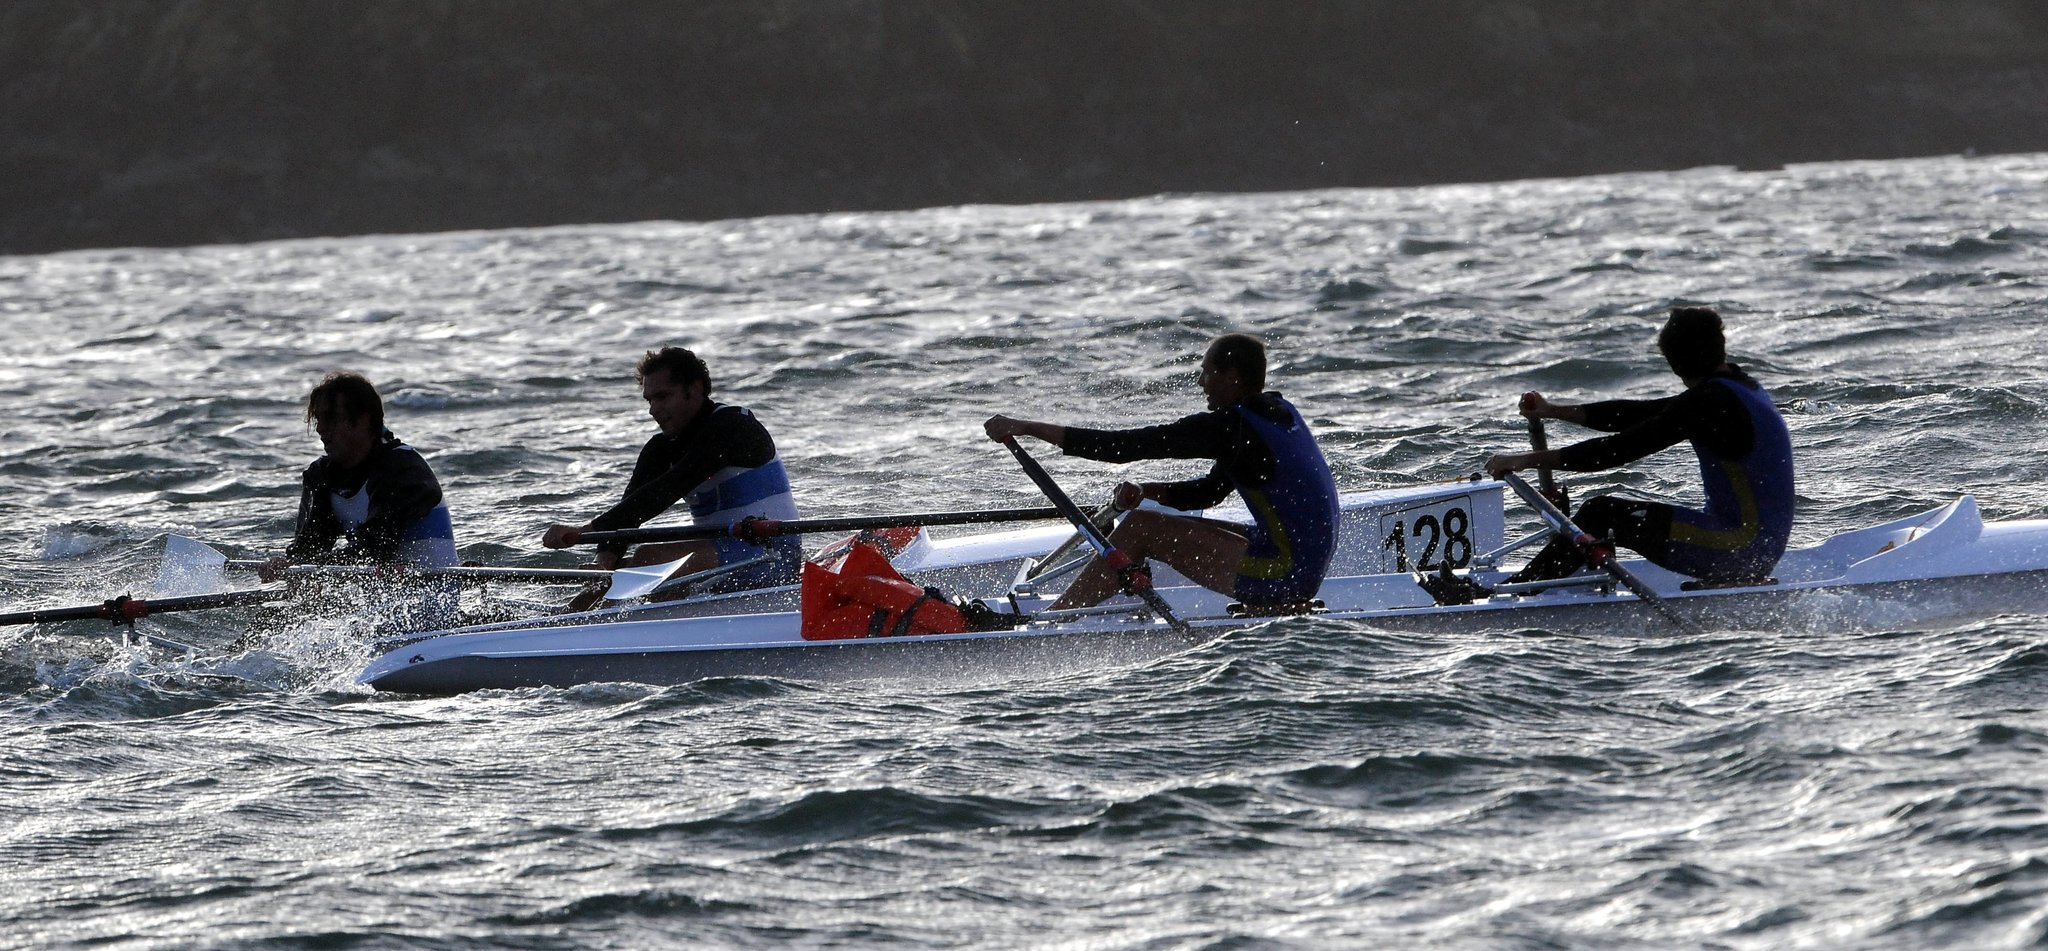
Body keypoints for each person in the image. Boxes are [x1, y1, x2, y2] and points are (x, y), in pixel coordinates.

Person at [983, 332, 1341, 612]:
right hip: (1298, 563)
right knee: (1146, 517)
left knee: (1141, 528)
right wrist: (1147, 491)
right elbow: (1208, 494)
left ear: (1232, 377)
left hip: (1283, 574)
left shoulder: (1231, 428)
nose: (1201, 381)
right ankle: (1083, 600)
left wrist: (1025, 426)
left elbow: (1120, 448)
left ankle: (1052, 620)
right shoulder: (1276, 412)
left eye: (1207, 372)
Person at [1480, 306, 1794, 590]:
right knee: (1605, 514)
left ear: (1674, 364)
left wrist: (1525, 460)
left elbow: (1616, 450)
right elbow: (1638, 415)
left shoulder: (1711, 402)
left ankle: (1510, 592)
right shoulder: (1737, 387)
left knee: (1602, 513)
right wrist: (1553, 410)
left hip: (1740, 549)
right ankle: (1563, 583)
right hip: (1755, 546)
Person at [541, 346, 801, 606]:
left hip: (771, 557)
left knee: (648, 558)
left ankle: (606, 629)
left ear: (696, 389)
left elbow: (671, 487)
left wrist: (586, 530)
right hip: (726, 557)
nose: (653, 410)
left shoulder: (734, 427)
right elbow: (630, 510)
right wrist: (603, 562)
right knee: (612, 576)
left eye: (663, 397)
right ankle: (561, 622)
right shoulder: (659, 449)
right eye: (649, 400)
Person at [258, 371, 458, 582]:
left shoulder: (403, 469)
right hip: (377, 607)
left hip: (434, 601)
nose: (320, 429)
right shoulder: (321, 477)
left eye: (331, 418)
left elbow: (376, 547)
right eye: (318, 419)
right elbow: (310, 547)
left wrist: (312, 568)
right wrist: (290, 567)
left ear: (364, 420)